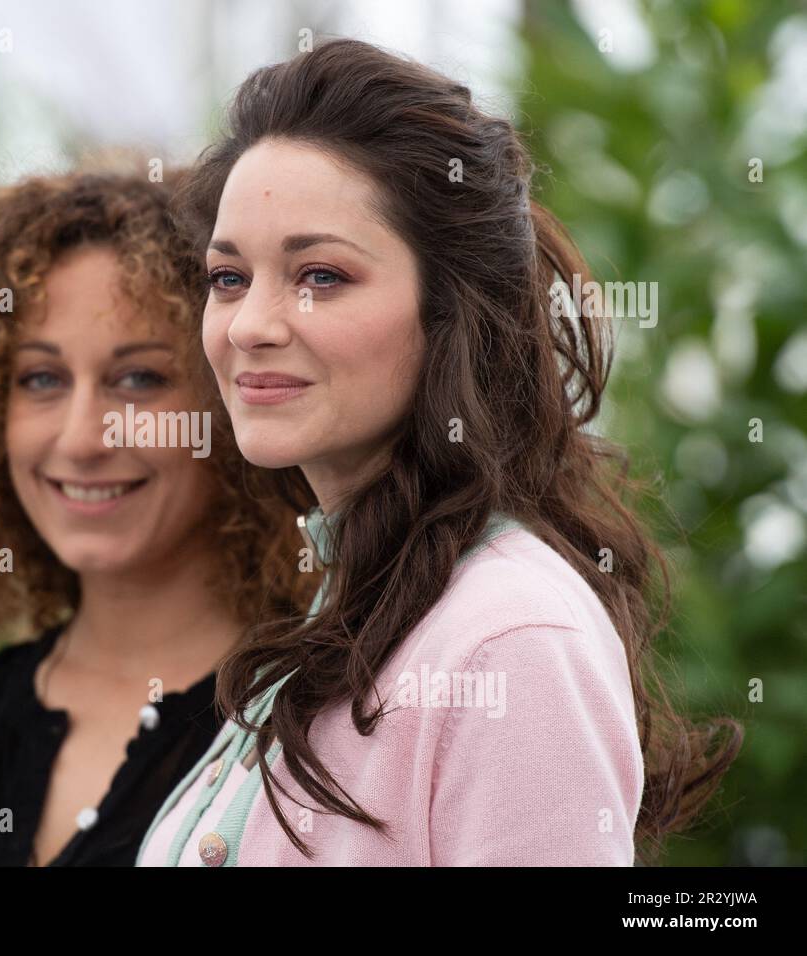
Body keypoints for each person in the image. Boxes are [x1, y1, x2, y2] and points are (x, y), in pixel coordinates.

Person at [137, 38, 742, 866]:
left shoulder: (512, 642)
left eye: (320, 275)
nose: (250, 326)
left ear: (450, 310)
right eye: (229, 277)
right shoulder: (351, 595)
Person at [0, 164, 317, 865]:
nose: (82, 439)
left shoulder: (314, 726)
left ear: (230, 401)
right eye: (41, 379)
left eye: (138, 379)